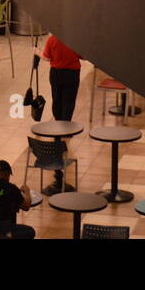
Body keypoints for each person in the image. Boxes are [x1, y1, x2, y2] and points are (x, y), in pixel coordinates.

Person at [41, 34, 82, 192]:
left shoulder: (52, 39)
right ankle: (66, 128)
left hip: (56, 73)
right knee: (69, 101)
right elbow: (82, 56)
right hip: (72, 73)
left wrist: (37, 52)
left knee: (56, 99)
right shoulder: (74, 39)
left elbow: (46, 57)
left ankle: (58, 126)